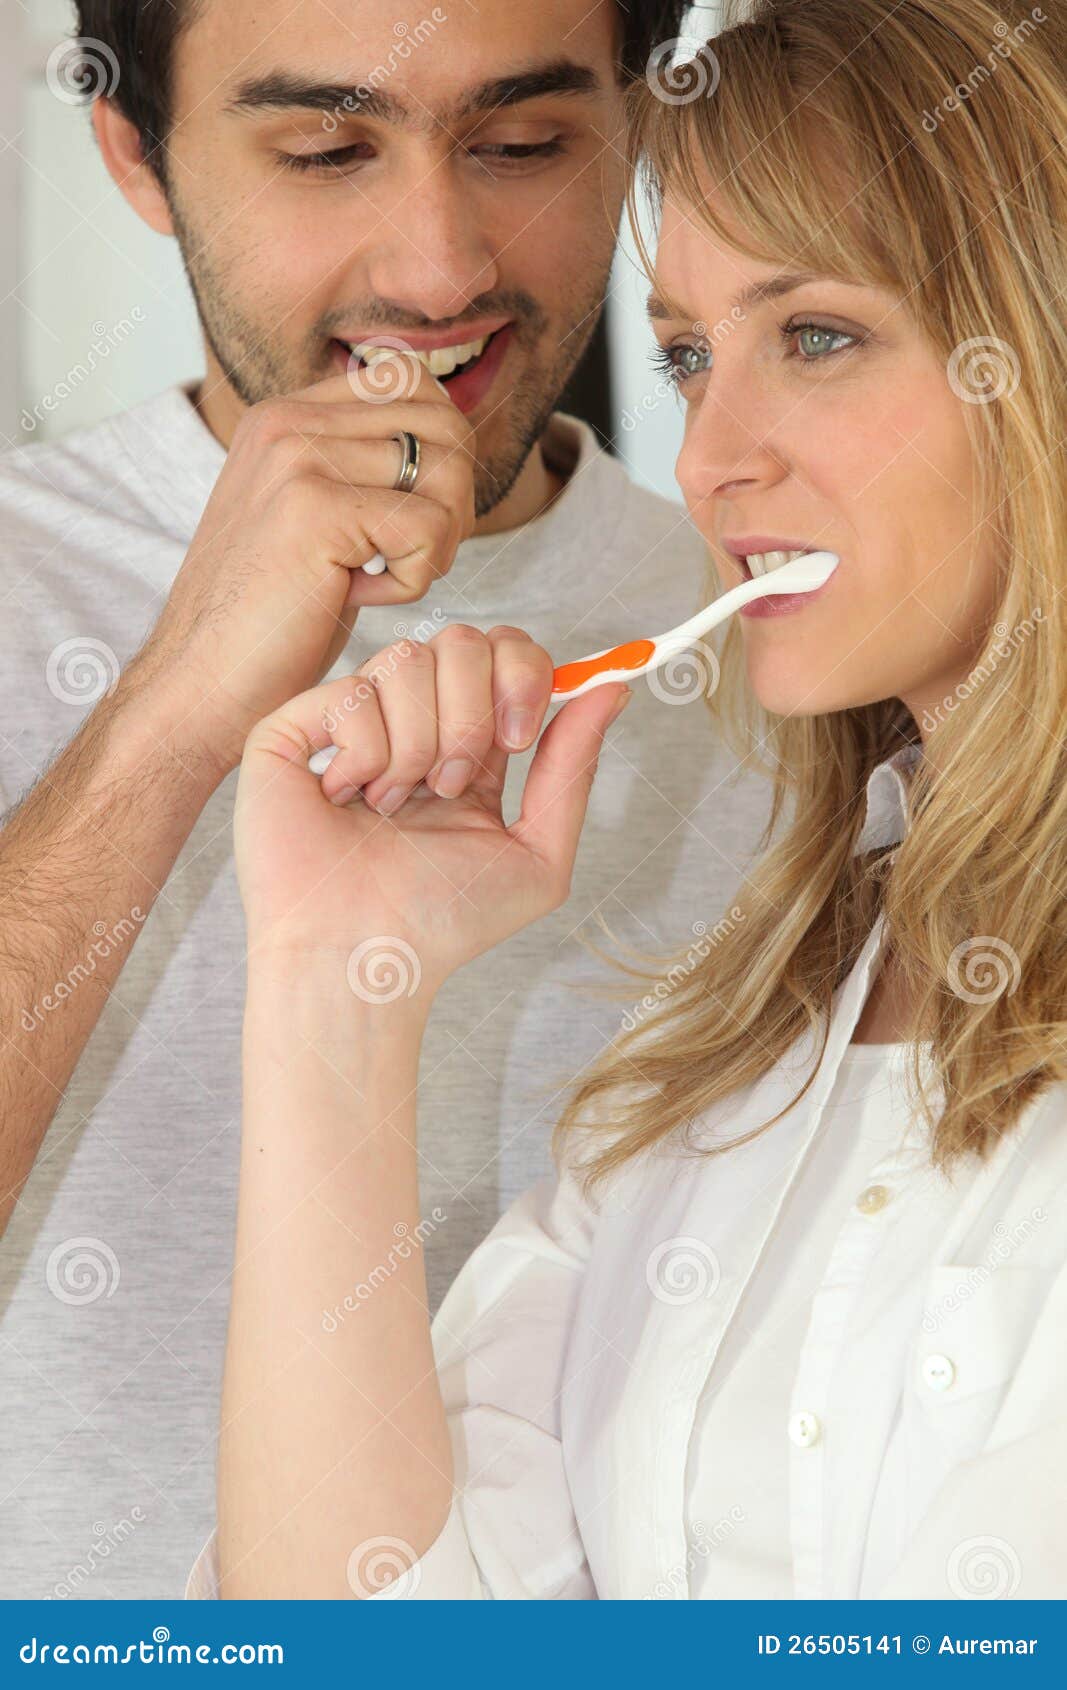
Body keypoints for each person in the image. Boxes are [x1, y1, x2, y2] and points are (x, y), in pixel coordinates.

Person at [187, 0, 1067, 1600]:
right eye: (685, 356)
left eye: (813, 335)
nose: (712, 455)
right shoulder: (709, 1067)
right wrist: (333, 991)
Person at [0, 0, 773, 1600]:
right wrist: (168, 714)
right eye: (326, 149)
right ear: (134, 155)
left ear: (638, 122)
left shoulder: (795, 642)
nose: (438, 268)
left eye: (524, 143)